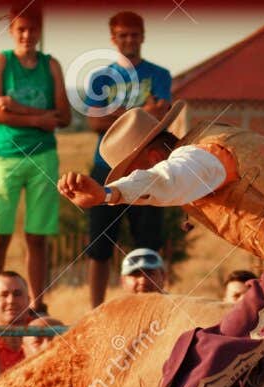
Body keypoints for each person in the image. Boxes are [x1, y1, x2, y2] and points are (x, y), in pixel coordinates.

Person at [59, 104, 264, 344]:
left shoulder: (198, 157)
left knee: (225, 351)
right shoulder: (222, 141)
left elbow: (165, 180)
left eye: (135, 169)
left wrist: (109, 193)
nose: (137, 176)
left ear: (154, 157)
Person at [80, 10, 172, 309]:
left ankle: (152, 306)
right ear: (113, 39)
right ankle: (96, 309)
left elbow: (161, 114)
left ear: (143, 36)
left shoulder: (159, 74)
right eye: (123, 35)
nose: (129, 40)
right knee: (100, 245)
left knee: (149, 241)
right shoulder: (100, 76)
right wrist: (139, 112)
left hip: (147, 164)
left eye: (134, 34)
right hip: (106, 165)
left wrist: (115, 115)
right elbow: (94, 122)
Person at [0, 7, 69, 310]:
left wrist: (16, 109)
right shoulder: (2, 61)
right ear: (11, 30)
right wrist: (37, 118)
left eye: (33, 30)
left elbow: (65, 116)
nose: (27, 36)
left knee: (38, 236)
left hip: (43, 155)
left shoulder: (51, 65)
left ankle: (38, 303)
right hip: (5, 155)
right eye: (21, 30)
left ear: (40, 31)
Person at [0, 271, 35, 374]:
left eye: (17, 294)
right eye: (3, 295)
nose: (11, 300)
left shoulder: (46, 335)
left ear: (29, 301)